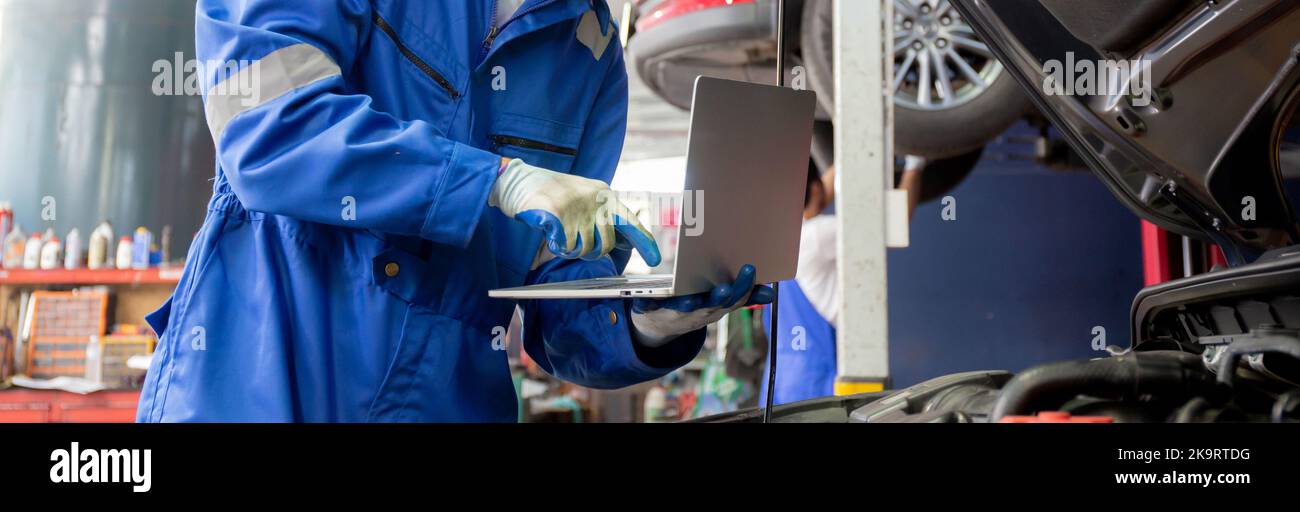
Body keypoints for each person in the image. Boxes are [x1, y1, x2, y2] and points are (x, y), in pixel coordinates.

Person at [137, 0, 770, 422]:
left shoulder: (592, 48)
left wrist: (644, 323)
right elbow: (268, 128)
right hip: (262, 384)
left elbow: (558, 285)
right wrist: (495, 181)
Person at [762, 157, 928, 404]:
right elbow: (896, 222)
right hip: (818, 387)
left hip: (781, 388)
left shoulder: (774, 242)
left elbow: (817, 192)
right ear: (814, 188)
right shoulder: (816, 235)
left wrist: (847, 153)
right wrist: (916, 162)